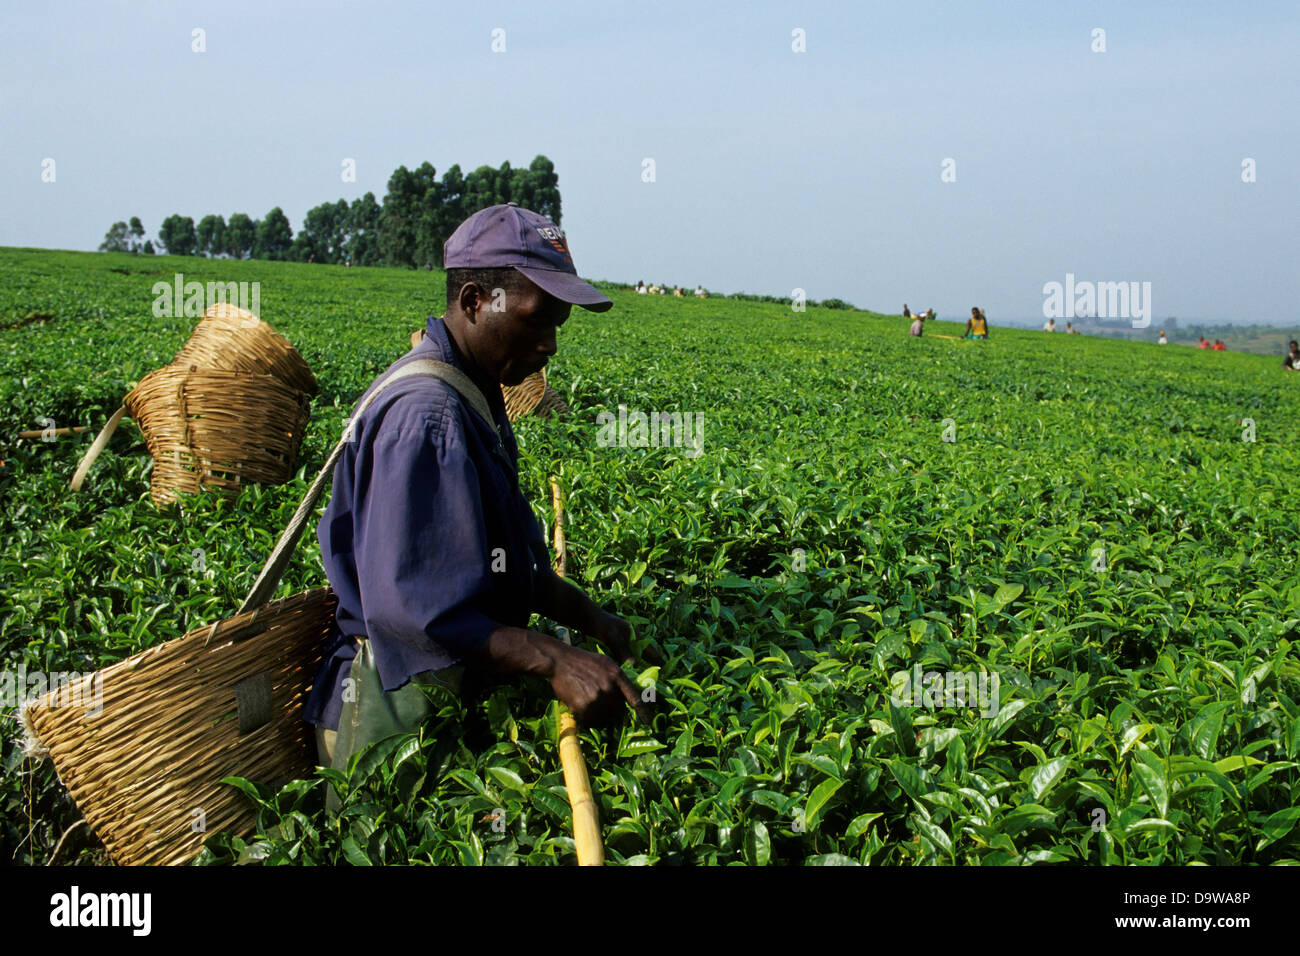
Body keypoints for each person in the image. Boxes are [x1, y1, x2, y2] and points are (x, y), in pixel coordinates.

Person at [305, 202, 650, 786]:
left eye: (558, 327)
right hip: (386, 717)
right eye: (538, 320)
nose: (550, 347)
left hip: (435, 695)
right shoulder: (426, 414)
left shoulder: (474, 389)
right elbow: (415, 613)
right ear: (474, 301)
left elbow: (503, 559)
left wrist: (591, 619)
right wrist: (555, 658)